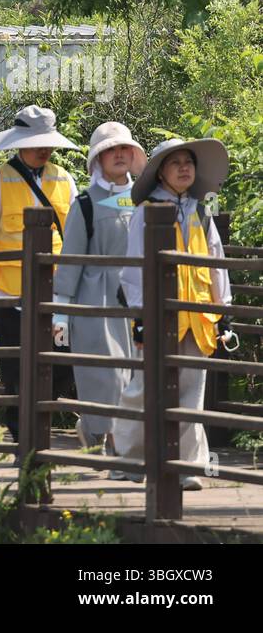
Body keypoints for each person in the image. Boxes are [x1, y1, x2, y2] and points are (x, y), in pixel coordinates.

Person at [115, 138, 233, 491]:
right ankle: (129, 461)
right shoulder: (146, 210)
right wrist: (139, 318)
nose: (184, 168)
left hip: (197, 316)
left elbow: (216, 263)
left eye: (189, 162)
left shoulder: (200, 211)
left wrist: (223, 312)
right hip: (156, 315)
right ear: (160, 173)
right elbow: (133, 269)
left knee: (191, 392)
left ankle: (186, 466)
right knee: (144, 388)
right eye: (175, 162)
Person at [0, 105, 79, 442]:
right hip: (10, 294)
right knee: (16, 369)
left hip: (57, 294)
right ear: (18, 144)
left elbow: (75, 234)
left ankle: (34, 423)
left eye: (47, 142)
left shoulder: (63, 178)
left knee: (62, 364)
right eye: (35, 142)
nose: (43, 149)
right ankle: (24, 435)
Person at [52, 122, 146, 465]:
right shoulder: (86, 204)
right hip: (96, 300)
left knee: (135, 373)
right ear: (98, 160)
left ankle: (106, 435)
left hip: (135, 298)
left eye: (124, 148)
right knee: (105, 373)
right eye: (111, 150)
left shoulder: (144, 199)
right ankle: (107, 440)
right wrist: (61, 313)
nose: (119, 154)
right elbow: (71, 260)